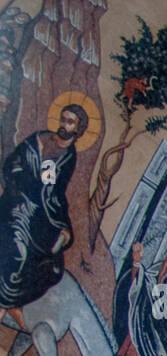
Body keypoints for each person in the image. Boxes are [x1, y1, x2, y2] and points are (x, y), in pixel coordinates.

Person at [0, 105, 88, 332]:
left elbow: (56, 193)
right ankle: (6, 304)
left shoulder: (68, 156)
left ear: (78, 130)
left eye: (70, 122)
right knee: (19, 253)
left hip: (40, 213)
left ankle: (10, 303)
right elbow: (12, 164)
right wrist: (26, 181)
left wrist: (64, 226)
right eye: (64, 119)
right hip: (16, 205)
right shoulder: (37, 139)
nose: (64, 125)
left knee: (52, 266)